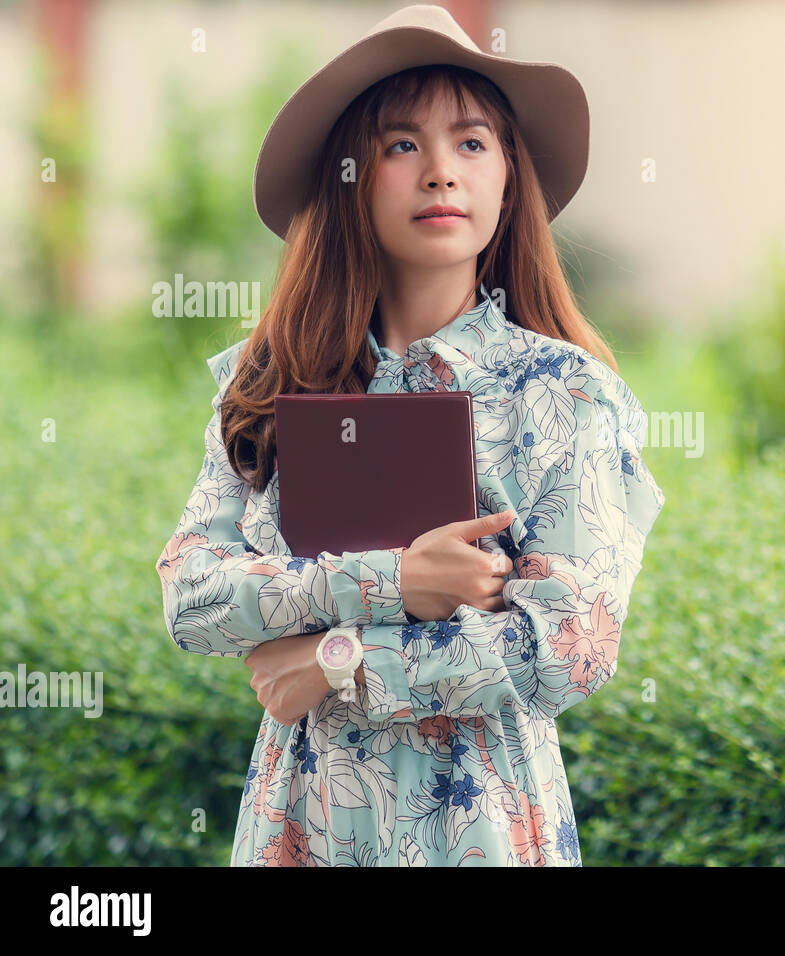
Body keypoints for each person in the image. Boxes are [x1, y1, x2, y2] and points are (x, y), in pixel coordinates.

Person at [154, 4, 666, 867]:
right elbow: (193, 593)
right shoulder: (270, 382)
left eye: (471, 144)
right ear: (352, 177)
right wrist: (396, 579)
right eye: (401, 145)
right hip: (301, 829)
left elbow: (572, 646)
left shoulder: (563, 395)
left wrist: (339, 657)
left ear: (510, 178)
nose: (440, 172)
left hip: (485, 836)